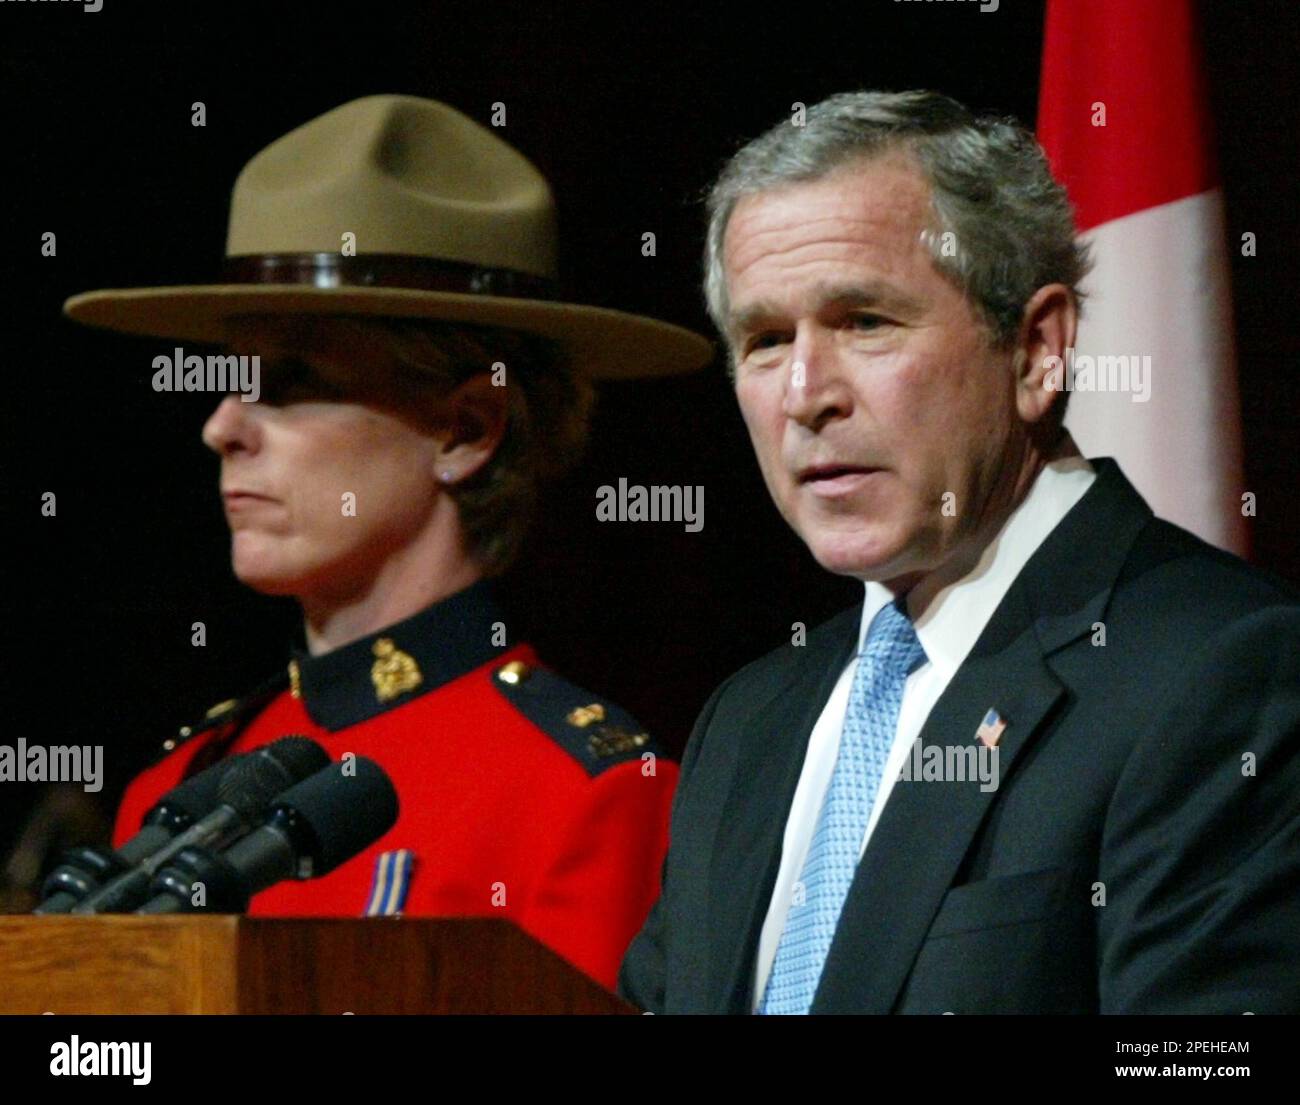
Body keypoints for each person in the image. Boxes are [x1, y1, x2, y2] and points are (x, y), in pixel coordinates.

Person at [619, 90, 1300, 1014]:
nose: (806, 394)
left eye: (865, 321)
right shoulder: (749, 721)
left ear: (1035, 352)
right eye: (767, 340)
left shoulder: (1224, 671)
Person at [63, 94, 712, 991]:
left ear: (464, 429)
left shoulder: (584, 793)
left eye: (292, 382)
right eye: (228, 381)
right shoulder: (182, 788)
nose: (221, 426)